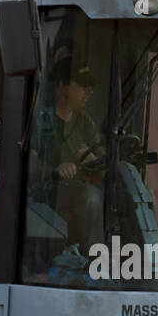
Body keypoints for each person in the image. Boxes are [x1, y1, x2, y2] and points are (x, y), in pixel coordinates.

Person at [36, 58, 105, 255]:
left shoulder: (85, 122)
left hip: (78, 189)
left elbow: (102, 167)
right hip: (48, 190)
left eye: (90, 86)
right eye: (83, 85)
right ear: (62, 85)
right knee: (91, 196)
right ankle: (94, 263)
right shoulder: (41, 119)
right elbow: (28, 161)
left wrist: (92, 160)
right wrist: (53, 170)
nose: (89, 91)